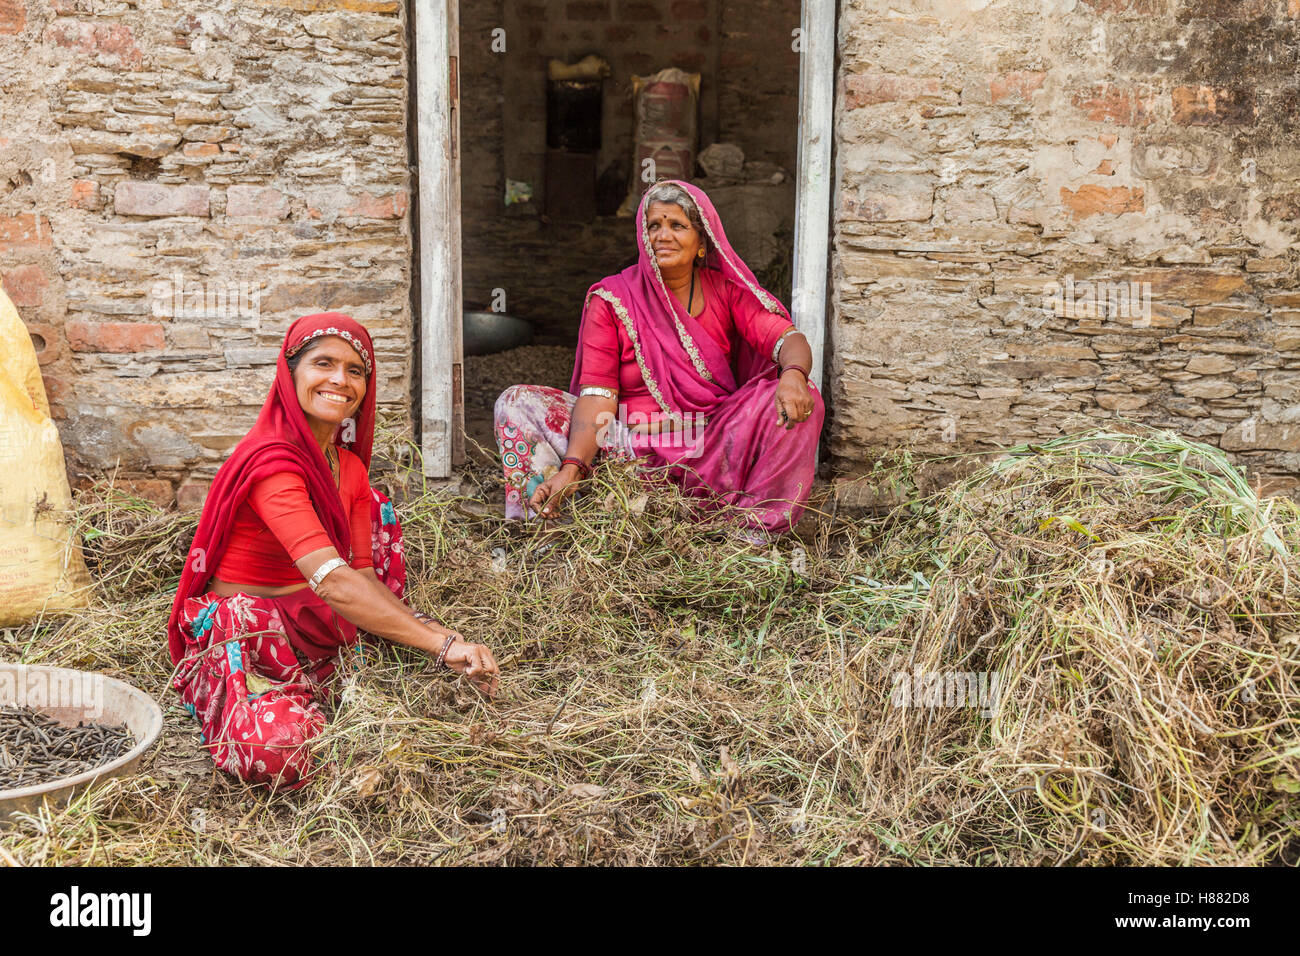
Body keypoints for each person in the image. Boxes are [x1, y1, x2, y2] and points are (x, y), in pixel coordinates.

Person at [167, 312, 498, 789]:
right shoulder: (273, 464)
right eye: (323, 364)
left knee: (379, 512)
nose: (340, 380)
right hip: (252, 634)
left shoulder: (349, 468)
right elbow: (335, 580)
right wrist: (441, 646)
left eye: (355, 370)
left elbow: (361, 576)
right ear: (291, 374)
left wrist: (435, 632)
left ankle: (351, 657)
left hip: (320, 617)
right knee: (280, 751)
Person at [494, 180, 824, 539]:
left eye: (677, 225)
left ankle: (750, 533)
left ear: (702, 242)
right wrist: (572, 467)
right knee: (516, 402)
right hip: (628, 451)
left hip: (710, 445)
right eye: (654, 226)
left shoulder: (726, 292)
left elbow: (788, 339)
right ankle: (546, 522)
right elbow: (597, 395)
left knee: (801, 397)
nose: (662, 235)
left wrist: (792, 373)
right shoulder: (612, 299)